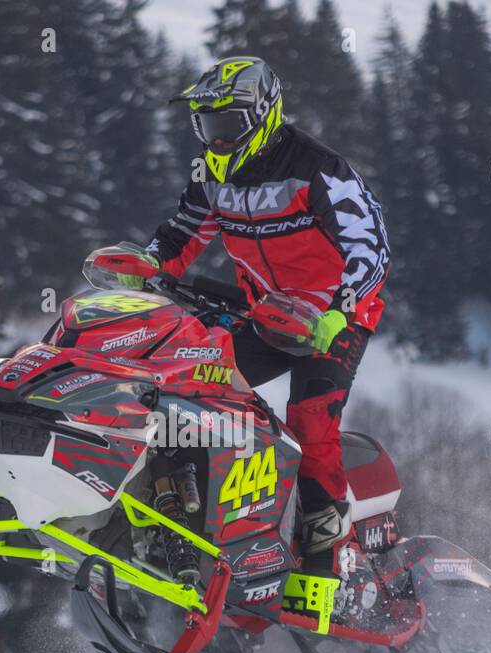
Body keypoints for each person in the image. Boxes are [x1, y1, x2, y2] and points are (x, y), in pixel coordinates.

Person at [139, 56, 390, 570]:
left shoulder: (317, 167)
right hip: (266, 317)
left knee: (309, 418)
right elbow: (182, 236)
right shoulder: (211, 176)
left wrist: (338, 312)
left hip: (334, 319)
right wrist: (143, 263)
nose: (218, 139)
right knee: (183, 387)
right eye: (208, 126)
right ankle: (186, 526)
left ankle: (325, 563)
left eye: (228, 125)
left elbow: (371, 247)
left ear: (263, 116)